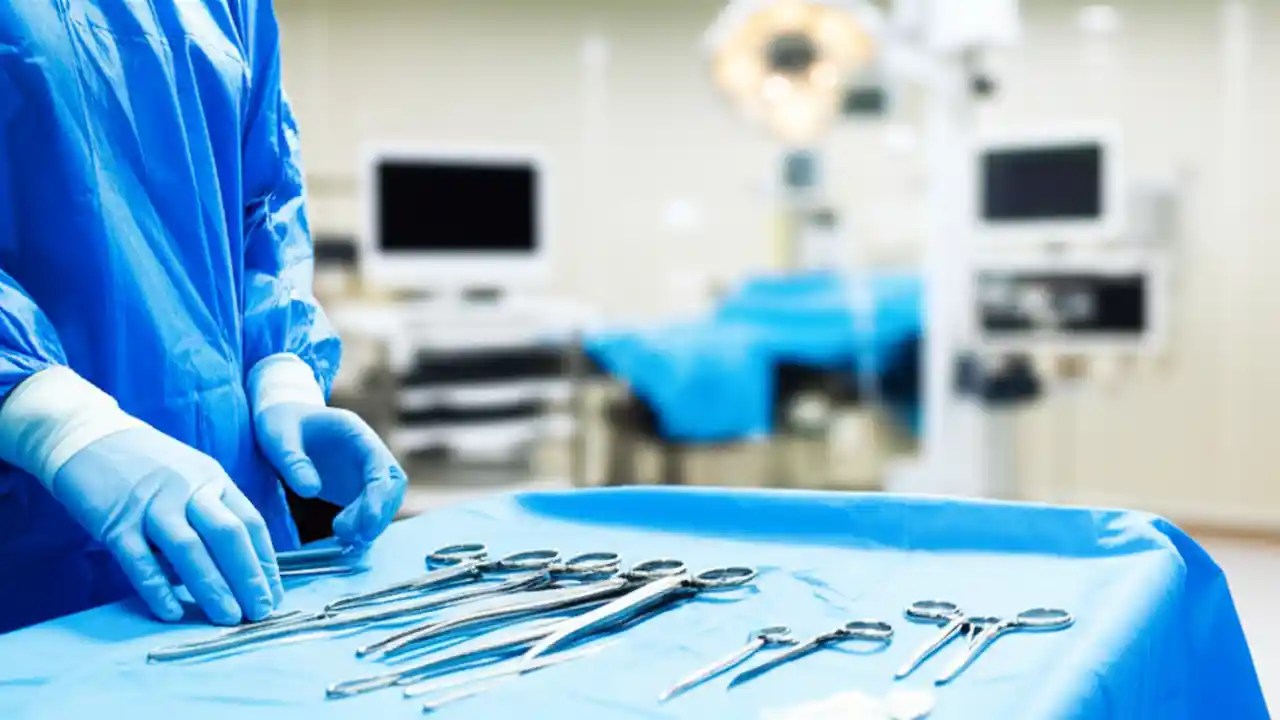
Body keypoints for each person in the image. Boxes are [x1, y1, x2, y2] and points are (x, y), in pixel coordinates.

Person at [0, 0, 406, 633]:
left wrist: (283, 382)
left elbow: (260, 211)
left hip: (236, 542)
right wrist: (56, 425)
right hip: (24, 566)